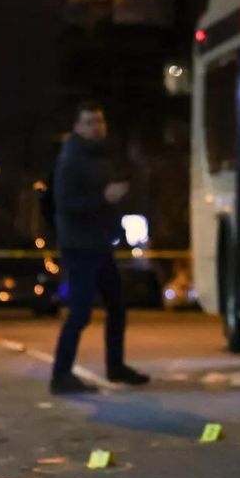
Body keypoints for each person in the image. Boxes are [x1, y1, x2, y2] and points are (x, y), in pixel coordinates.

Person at [49, 101, 150, 394]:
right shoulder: (71, 159)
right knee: (80, 312)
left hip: (100, 244)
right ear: (77, 127)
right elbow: (65, 204)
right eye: (90, 122)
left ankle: (115, 367)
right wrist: (104, 198)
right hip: (80, 247)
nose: (97, 127)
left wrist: (114, 218)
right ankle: (61, 375)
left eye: (100, 121)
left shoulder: (100, 155)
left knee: (117, 307)